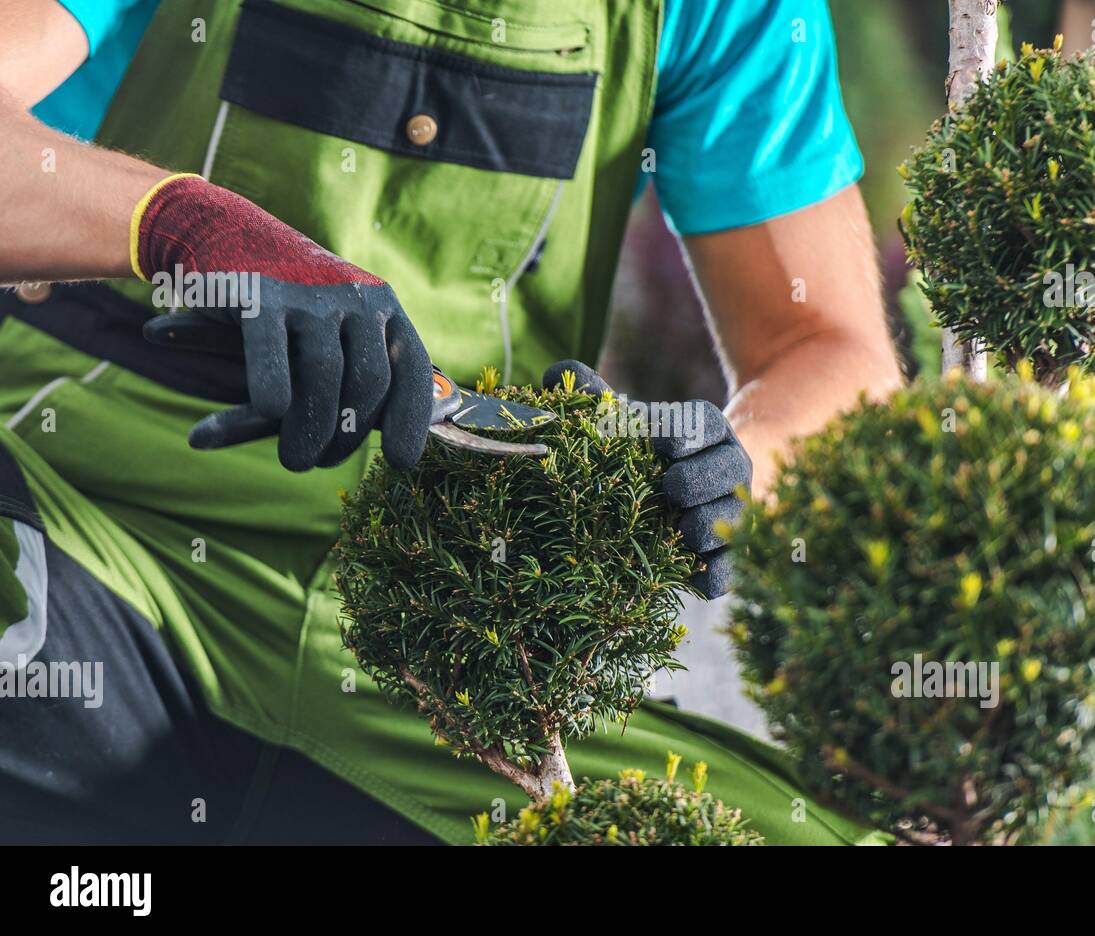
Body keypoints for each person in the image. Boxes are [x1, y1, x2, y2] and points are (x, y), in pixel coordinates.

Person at [0, 0, 903, 843]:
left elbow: (830, 351)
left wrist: (735, 464)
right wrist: (182, 222)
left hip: (454, 635)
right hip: (89, 529)